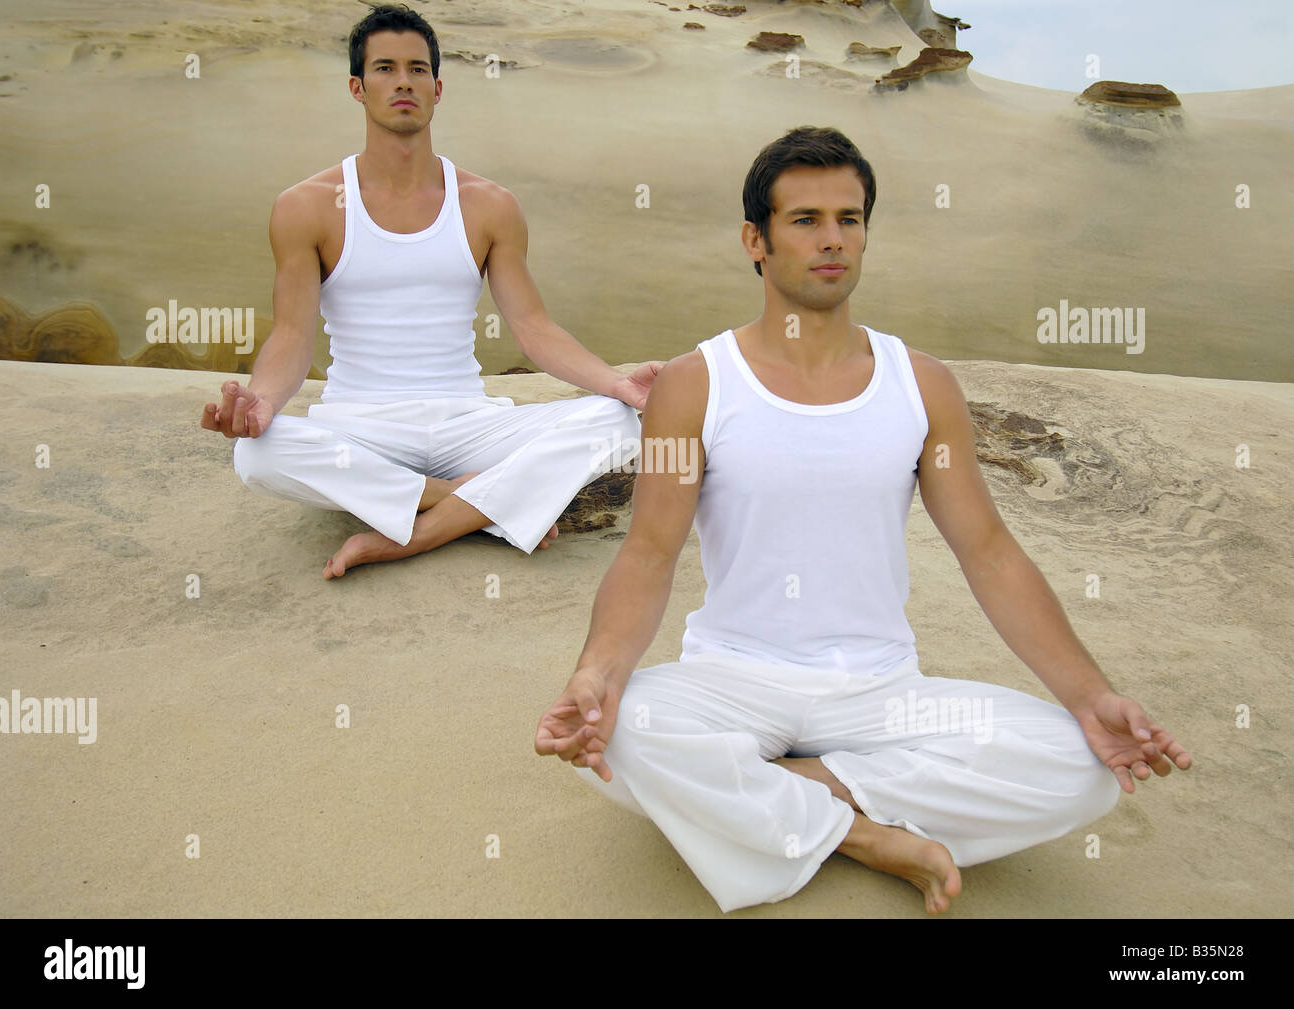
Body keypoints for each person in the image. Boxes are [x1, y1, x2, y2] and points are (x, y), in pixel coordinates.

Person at [534, 126, 1192, 915]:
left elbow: (988, 552)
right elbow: (647, 555)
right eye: (805, 220)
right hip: (735, 679)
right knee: (624, 727)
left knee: (1084, 767)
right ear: (757, 239)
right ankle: (866, 832)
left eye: (850, 218)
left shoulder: (922, 386)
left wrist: (1091, 697)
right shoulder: (694, 385)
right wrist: (598, 673)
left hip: (880, 690)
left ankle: (788, 796)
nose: (832, 239)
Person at [199, 4, 657, 578]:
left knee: (620, 421)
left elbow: (534, 328)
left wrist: (619, 382)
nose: (403, 83)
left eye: (417, 70)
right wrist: (262, 402)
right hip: (363, 425)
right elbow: (293, 334)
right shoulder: (306, 206)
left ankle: (419, 530)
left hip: (468, 421)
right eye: (385, 68)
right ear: (357, 87)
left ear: (438, 89)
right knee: (256, 452)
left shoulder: (489, 204)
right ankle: (470, 500)